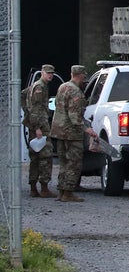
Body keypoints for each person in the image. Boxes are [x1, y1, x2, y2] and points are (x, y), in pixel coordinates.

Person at [50, 65, 94, 202]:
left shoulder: (62, 87)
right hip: (71, 133)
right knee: (73, 163)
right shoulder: (76, 92)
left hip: (59, 130)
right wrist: (87, 129)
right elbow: (75, 116)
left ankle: (61, 191)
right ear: (81, 75)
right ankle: (68, 192)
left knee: (63, 162)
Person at [22, 64, 57, 198]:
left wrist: (27, 112)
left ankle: (34, 188)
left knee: (36, 157)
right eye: (48, 73)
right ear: (42, 72)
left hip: (37, 125)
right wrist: (37, 127)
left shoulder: (36, 85)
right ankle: (43, 187)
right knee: (45, 157)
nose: (50, 75)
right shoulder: (40, 87)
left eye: (52, 73)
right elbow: (36, 109)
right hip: (40, 126)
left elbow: (23, 95)